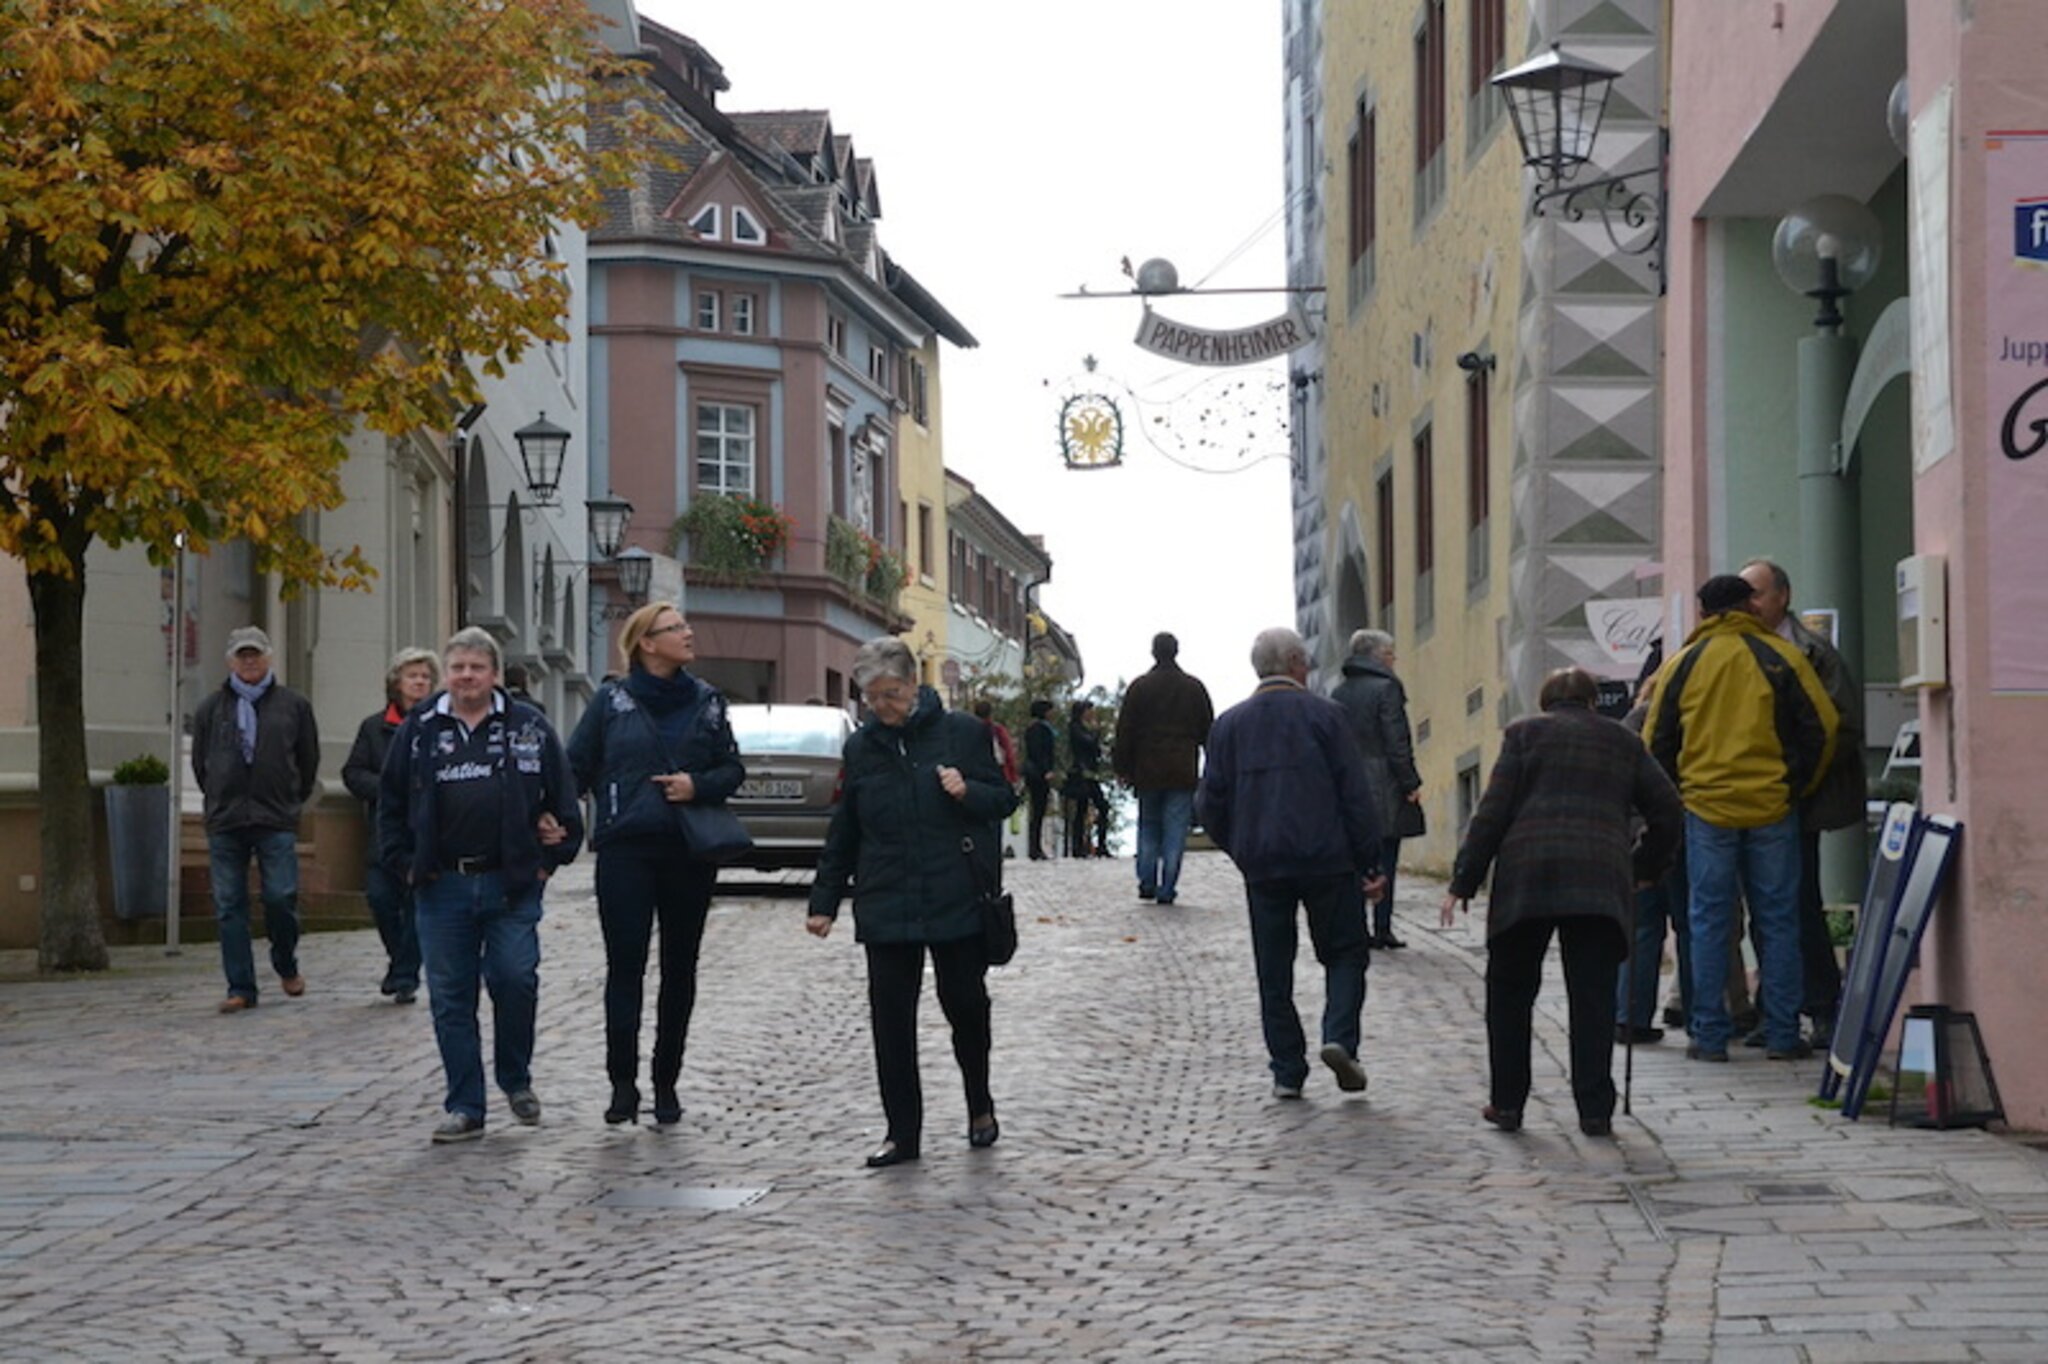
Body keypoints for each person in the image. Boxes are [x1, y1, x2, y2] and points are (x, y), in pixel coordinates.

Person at [1441, 667, 1684, 1136]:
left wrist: (1463, 881)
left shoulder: (1523, 734)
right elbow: (1668, 808)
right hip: (1598, 878)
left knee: (1509, 993)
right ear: (1593, 702)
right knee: (1592, 998)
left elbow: (1491, 812)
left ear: (1545, 702)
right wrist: (1645, 866)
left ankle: (1507, 1103)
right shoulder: (1623, 741)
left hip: (1526, 877)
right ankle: (1594, 1110)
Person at [807, 637, 1019, 1168]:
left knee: (965, 1006)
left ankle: (979, 1104)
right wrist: (824, 899)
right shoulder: (861, 748)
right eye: (872, 697)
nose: (883, 706)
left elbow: (1004, 798)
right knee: (890, 1021)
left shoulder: (963, 733)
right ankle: (902, 1133)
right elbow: (846, 828)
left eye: (892, 694)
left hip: (955, 895)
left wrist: (967, 790)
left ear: (913, 685)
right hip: (886, 896)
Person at [379, 627, 583, 1144]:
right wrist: (405, 864)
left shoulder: (528, 727)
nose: (466, 676)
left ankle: (515, 1077)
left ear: (494, 673)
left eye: (476, 667)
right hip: (441, 884)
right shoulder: (420, 729)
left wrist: (551, 856)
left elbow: (564, 799)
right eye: (458, 668)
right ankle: (465, 1105)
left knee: (515, 978)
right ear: (446, 674)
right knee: (451, 997)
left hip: (510, 883)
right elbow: (390, 803)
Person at [1644, 574, 1837, 1064]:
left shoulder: (1684, 663)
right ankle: (1782, 1033)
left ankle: (1709, 1035)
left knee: (1708, 922)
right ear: (1749, 606)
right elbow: (1823, 728)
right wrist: (1797, 786)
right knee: (1778, 921)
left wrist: (1678, 794)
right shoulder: (1782, 656)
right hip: (1772, 807)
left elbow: (1655, 740)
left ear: (1704, 612)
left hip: (1706, 809)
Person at [566, 603, 744, 1127]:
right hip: (626, 849)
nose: (688, 633)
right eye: (676, 628)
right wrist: (553, 823)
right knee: (625, 967)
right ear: (647, 642)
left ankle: (667, 1081)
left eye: (686, 625)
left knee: (680, 968)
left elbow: (732, 769)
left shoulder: (708, 702)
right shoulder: (611, 702)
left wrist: (698, 785)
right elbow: (575, 767)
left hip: (689, 850)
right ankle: (623, 1084)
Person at [1197, 627, 1385, 1100]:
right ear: (1297, 663)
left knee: (1273, 969)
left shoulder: (1228, 726)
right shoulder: (1327, 716)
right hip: (1327, 858)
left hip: (1264, 863)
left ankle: (1286, 1070)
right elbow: (1355, 794)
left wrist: (1241, 846)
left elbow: (1210, 803)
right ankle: (1339, 1037)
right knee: (1345, 953)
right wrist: (1370, 861)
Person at [1740, 557, 1865, 1048]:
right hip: (1750, 797)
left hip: (1796, 799)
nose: (1750, 603)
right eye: (1744, 594)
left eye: (1757, 592)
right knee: (1763, 906)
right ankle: (1775, 1007)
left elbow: (1842, 725)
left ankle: (1821, 1004)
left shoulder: (1813, 652)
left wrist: (1800, 777)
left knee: (1798, 903)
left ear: (1782, 596)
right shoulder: (1737, 649)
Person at [191, 626, 321, 1014]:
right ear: (230, 662)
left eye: (255, 655)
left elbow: (308, 760)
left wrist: (290, 800)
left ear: (268, 658)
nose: (249, 662)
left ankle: (285, 962)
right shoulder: (211, 708)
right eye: (242, 656)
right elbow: (201, 764)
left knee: (280, 896)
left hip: (275, 816)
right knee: (229, 904)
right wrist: (219, 794)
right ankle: (241, 986)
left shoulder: (293, 706)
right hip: (226, 818)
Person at [341, 647, 439, 1005]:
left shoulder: (440, 726)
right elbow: (353, 773)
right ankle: (401, 962)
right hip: (385, 831)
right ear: (396, 682)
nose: (419, 682)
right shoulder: (374, 727)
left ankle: (405, 974)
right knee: (381, 899)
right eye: (413, 676)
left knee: (416, 907)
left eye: (425, 677)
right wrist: (388, 790)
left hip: (426, 833)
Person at [1330, 629, 1422, 950]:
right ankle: (1382, 927)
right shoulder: (1387, 688)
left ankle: (1358, 927)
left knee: (1355, 860)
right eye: (1391, 654)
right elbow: (1397, 742)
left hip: (1349, 785)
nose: (1394, 660)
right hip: (1384, 784)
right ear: (1378, 656)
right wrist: (1410, 783)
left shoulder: (1339, 692)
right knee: (1387, 858)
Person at [1111, 631, 1213, 906]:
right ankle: (1167, 886)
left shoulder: (1139, 688)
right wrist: (1212, 765)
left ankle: (1147, 880)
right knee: (1175, 829)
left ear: (1153, 652)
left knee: (1148, 825)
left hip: (1147, 768)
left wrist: (1122, 767)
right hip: (1182, 767)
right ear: (1176, 651)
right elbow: (1208, 730)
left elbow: (1125, 730)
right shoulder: (1193, 688)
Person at [1064, 699, 1111, 858]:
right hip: (1082, 773)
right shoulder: (1075, 728)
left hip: (1090, 772)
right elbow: (1088, 743)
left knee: (1099, 807)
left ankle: (1100, 844)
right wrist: (1096, 732)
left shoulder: (1085, 728)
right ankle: (1078, 846)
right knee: (1083, 808)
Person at [1022, 699, 1058, 860]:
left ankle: (1035, 846)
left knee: (1039, 810)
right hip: (1038, 774)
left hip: (1037, 772)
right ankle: (1034, 847)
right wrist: (1046, 770)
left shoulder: (1038, 727)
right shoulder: (1039, 728)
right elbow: (1039, 752)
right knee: (1038, 809)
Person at [972, 698, 1021, 786]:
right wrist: (1013, 774)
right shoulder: (997, 729)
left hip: (976, 774)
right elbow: (1008, 751)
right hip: (998, 770)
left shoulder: (970, 730)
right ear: (991, 713)